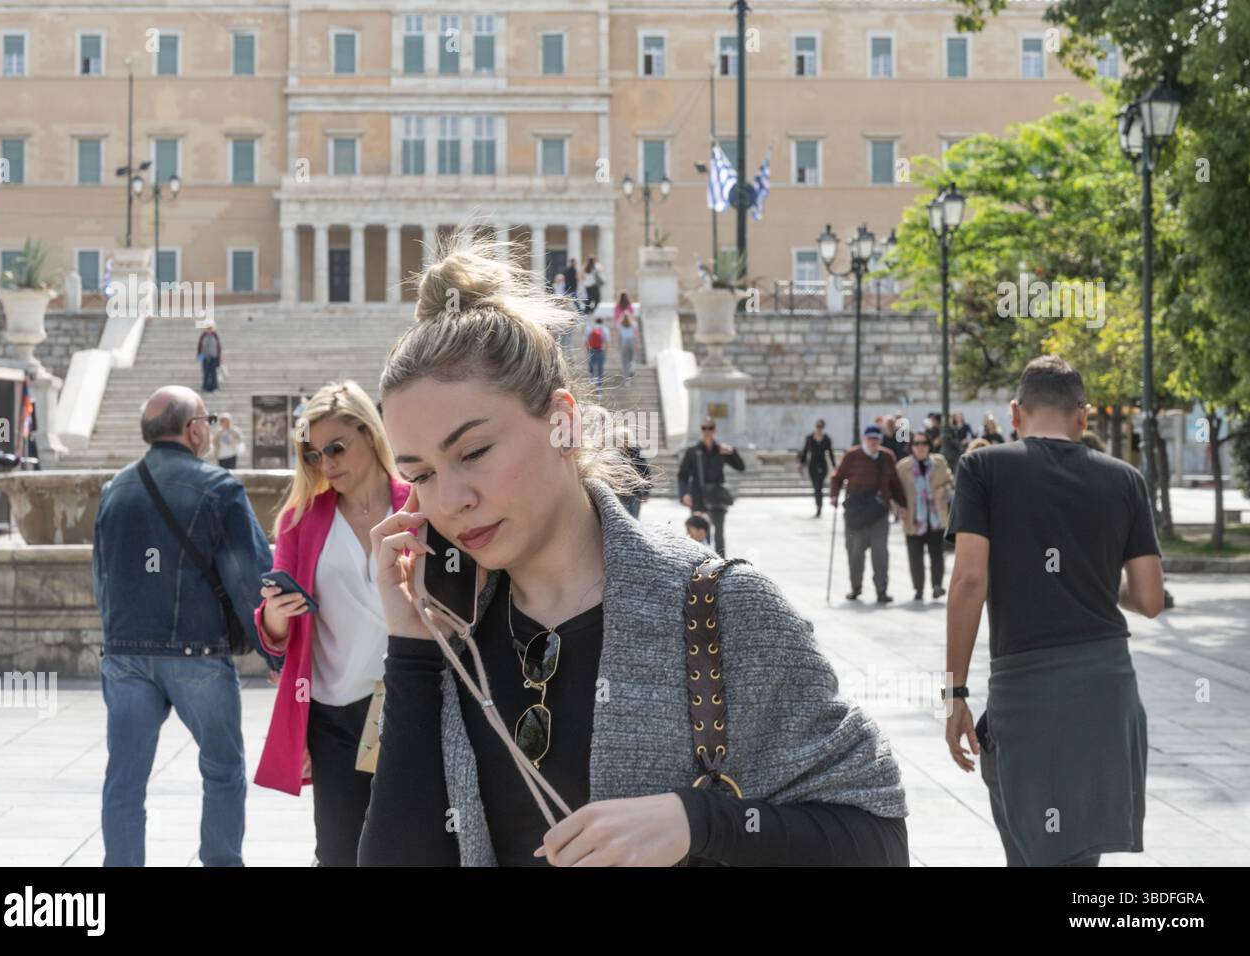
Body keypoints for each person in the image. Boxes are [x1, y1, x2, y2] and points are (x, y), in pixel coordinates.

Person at [357, 233, 909, 866]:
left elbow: (878, 838)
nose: (451, 499)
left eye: (474, 452)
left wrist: (701, 822)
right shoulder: (450, 637)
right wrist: (411, 647)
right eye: (421, 474)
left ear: (562, 421)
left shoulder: (719, 605)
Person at [945, 356, 1165, 867]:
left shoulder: (983, 468)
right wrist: (1091, 580)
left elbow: (970, 580)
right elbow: (1150, 600)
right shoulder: (1126, 479)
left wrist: (954, 691)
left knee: (1032, 851)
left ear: (1015, 415)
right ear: (1083, 418)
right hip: (1108, 690)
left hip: (1028, 693)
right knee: (1079, 856)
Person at [92, 386, 276, 867]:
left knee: (124, 783)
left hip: (126, 655)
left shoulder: (113, 490)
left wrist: (115, 644)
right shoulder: (218, 488)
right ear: (194, 428)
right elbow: (249, 579)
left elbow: (102, 576)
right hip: (197, 654)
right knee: (222, 769)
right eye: (207, 420)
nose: (210, 429)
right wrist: (276, 653)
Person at [252, 381, 412, 867]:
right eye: (315, 454)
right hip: (335, 713)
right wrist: (276, 616)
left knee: (411, 845)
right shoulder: (301, 520)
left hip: (410, 701)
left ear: (370, 433)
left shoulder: (419, 504)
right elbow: (276, 638)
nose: (327, 463)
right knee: (340, 852)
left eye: (337, 447)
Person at [829, 425, 908, 604]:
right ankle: (855, 588)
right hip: (856, 514)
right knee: (855, 553)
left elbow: (895, 483)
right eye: (870, 438)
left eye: (877, 439)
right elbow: (837, 477)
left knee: (880, 553)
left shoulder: (887, 457)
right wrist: (834, 495)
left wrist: (902, 504)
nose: (874, 442)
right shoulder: (852, 455)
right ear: (864, 438)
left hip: (879, 513)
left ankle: (881, 590)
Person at [896, 432, 952, 601]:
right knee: (915, 557)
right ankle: (918, 588)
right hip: (913, 519)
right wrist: (898, 508)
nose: (920, 447)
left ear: (929, 445)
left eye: (924, 443)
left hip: (935, 518)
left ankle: (937, 585)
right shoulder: (902, 467)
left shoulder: (939, 462)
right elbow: (895, 491)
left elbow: (951, 482)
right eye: (917, 443)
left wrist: (944, 490)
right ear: (911, 446)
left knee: (937, 555)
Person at [678, 418, 746, 558]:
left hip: (717, 497)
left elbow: (740, 467)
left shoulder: (721, 450)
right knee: (698, 533)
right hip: (698, 497)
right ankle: (698, 561)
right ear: (701, 431)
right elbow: (682, 475)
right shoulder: (693, 451)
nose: (707, 431)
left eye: (710, 428)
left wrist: (732, 451)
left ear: (714, 431)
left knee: (719, 533)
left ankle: (721, 565)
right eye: (704, 428)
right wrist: (684, 494)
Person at [796, 418, 838, 518]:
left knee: (819, 486)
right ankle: (818, 506)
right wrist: (801, 463)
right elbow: (805, 452)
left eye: (821, 427)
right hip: (812, 465)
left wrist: (834, 467)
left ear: (823, 428)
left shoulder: (826, 438)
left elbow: (830, 453)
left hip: (822, 465)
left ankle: (819, 507)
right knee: (816, 487)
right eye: (817, 427)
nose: (819, 429)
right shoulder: (810, 438)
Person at [614, 426, 650, 519]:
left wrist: (645, 492)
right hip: (616, 492)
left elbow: (644, 471)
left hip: (633, 492)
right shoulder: (613, 452)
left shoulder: (636, 453)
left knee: (632, 518)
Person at [614, 291, 637, 385]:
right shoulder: (630, 307)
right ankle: (632, 366)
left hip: (622, 338)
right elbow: (633, 321)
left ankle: (626, 379)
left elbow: (616, 320)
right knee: (631, 358)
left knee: (624, 359)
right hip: (631, 339)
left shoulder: (617, 308)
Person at [585, 316, 609, 395]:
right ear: (602, 322)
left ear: (595, 322)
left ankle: (590, 383)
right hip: (600, 351)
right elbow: (607, 342)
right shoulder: (604, 330)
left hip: (591, 350)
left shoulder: (590, 329)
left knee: (591, 368)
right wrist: (606, 351)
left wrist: (587, 350)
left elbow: (586, 340)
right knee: (600, 370)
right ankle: (599, 389)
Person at [197, 321, 223, 393]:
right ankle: (205, 387)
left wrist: (219, 359)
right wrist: (199, 357)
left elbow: (218, 348)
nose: (209, 330)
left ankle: (214, 387)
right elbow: (199, 347)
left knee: (213, 373)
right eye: (208, 328)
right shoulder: (203, 336)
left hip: (214, 357)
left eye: (210, 328)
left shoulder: (215, 336)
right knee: (206, 372)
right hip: (205, 357)